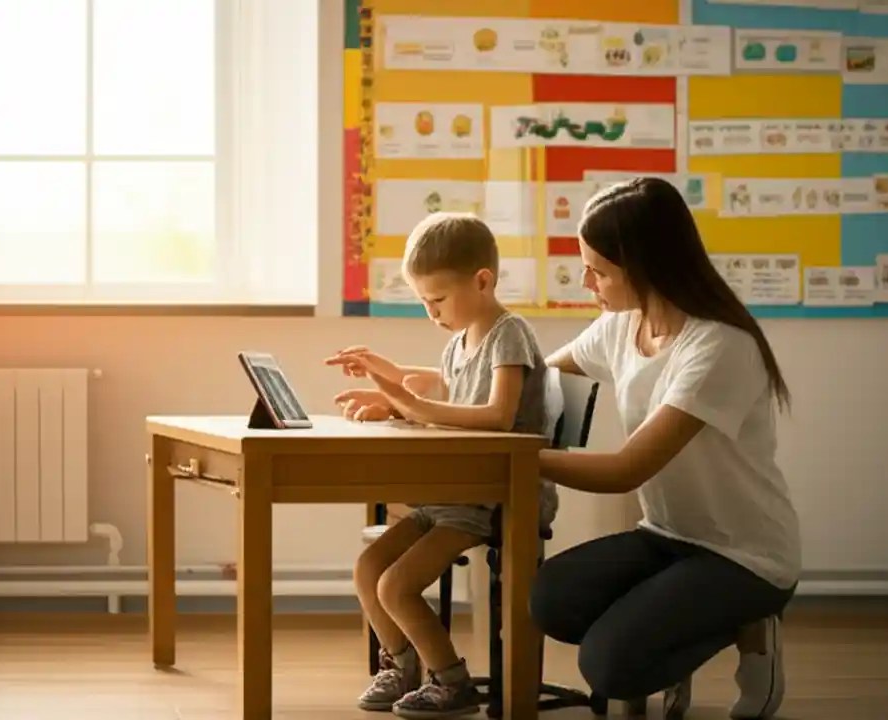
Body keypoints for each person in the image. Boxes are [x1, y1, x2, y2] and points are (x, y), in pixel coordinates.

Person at [528, 178, 801, 720]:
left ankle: (750, 625)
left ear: (647, 264)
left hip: (744, 555)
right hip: (667, 535)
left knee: (610, 666)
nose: (587, 282)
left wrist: (511, 462)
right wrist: (417, 392)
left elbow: (628, 469)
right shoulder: (621, 325)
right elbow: (529, 384)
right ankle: (673, 625)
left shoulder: (720, 346)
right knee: (550, 600)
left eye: (599, 270)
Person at [325, 212, 557, 719]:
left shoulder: (509, 334)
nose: (431, 313)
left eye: (437, 300)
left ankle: (452, 683)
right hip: (452, 492)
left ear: (482, 281)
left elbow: (497, 415)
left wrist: (406, 402)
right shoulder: (461, 341)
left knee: (395, 585)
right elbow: (438, 384)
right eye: (423, 301)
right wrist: (386, 381)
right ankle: (403, 665)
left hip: (493, 495)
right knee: (369, 569)